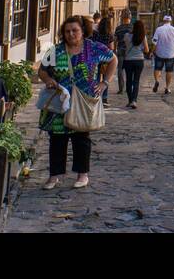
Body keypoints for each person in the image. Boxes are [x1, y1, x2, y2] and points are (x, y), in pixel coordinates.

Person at [37, 15, 115, 190]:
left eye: (75, 31)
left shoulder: (93, 48)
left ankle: (82, 174)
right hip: (60, 101)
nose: (71, 34)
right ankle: (54, 175)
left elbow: (113, 59)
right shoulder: (55, 51)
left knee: (81, 138)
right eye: (67, 31)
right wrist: (48, 80)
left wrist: (105, 82)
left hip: (83, 101)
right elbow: (42, 71)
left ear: (82, 31)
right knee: (57, 139)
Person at [150, 14, 174, 97]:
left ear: (163, 21)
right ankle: (167, 87)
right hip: (170, 54)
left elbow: (154, 42)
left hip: (159, 53)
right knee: (169, 71)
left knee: (157, 68)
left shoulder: (159, 29)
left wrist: (152, 51)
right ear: (170, 21)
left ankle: (156, 81)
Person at [122, 19, 149, 107]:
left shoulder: (127, 35)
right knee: (136, 81)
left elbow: (125, 45)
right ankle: (134, 101)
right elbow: (146, 50)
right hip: (139, 60)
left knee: (128, 81)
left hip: (128, 60)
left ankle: (130, 100)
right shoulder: (143, 37)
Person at [92, 16, 115, 105]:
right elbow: (111, 47)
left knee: (96, 77)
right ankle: (104, 98)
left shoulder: (95, 33)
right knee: (105, 79)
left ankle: (96, 95)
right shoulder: (110, 34)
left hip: (96, 58)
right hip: (106, 60)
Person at [112, 12, 133, 96]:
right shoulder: (132, 28)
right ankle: (129, 87)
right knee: (130, 70)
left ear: (122, 18)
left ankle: (121, 88)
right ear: (130, 17)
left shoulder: (118, 28)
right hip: (130, 51)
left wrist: (114, 50)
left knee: (120, 70)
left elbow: (115, 40)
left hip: (120, 50)